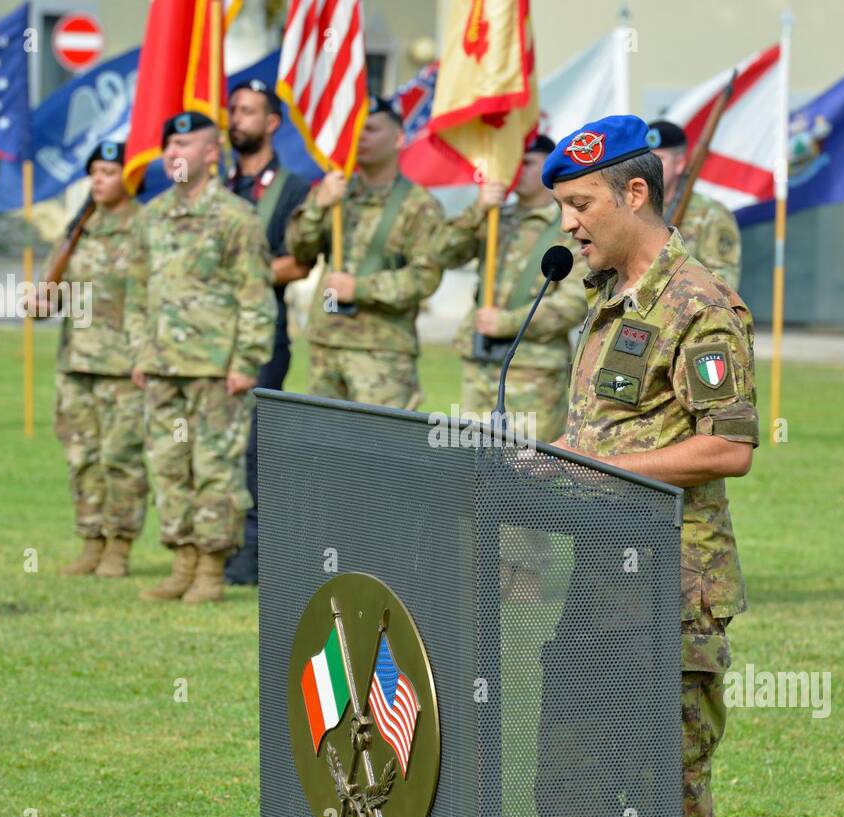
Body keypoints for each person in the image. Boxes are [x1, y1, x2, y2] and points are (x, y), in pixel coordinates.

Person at [537, 115, 759, 817]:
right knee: (566, 789)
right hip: (596, 589)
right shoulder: (609, 301)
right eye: (562, 207)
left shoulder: (698, 302)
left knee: (665, 797)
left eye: (582, 204)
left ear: (636, 193)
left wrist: (596, 465)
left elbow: (729, 446)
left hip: (669, 594)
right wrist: (550, 458)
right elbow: (608, 435)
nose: (569, 223)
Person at [125, 111, 277, 604]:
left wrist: (245, 361)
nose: (174, 154)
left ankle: (212, 569)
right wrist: (139, 351)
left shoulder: (236, 218)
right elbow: (136, 294)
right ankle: (182, 561)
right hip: (163, 368)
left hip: (216, 371)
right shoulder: (150, 216)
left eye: (186, 145)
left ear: (212, 154)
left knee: (215, 468)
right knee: (170, 465)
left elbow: (256, 297)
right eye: (168, 145)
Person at [285, 96, 445, 409]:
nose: (360, 136)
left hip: (382, 350)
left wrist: (358, 289)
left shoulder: (419, 205)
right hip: (326, 342)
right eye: (357, 129)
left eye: (371, 129)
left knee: (378, 451)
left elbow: (425, 278)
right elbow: (299, 247)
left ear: (399, 138)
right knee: (323, 446)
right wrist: (318, 206)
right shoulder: (335, 193)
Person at [432, 133, 585, 443]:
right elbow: (440, 254)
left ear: (548, 166)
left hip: (533, 372)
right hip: (480, 365)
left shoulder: (569, 228)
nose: (518, 169)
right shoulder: (492, 218)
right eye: (513, 161)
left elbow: (573, 303)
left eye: (527, 162)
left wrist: (506, 323)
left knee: (529, 468)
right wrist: (478, 209)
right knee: (473, 460)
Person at [222, 79, 313, 586]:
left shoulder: (293, 188)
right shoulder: (221, 188)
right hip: (213, 336)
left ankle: (255, 549)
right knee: (216, 440)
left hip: (262, 333)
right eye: (233, 110)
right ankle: (217, 540)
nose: (237, 119)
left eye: (249, 111)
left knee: (255, 444)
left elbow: (299, 264)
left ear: (272, 122)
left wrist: (238, 277)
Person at [47, 141, 147, 579]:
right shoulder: (78, 227)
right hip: (76, 363)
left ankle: (119, 548)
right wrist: (39, 299)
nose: (100, 180)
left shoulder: (145, 227)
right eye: (95, 172)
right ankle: (90, 540)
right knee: (81, 456)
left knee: (120, 457)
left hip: (124, 365)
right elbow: (53, 290)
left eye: (109, 171)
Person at [646, 119, 742, 291]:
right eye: (647, 159)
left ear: (680, 164)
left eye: (660, 159)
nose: (651, 167)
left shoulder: (711, 214)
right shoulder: (634, 210)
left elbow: (723, 286)